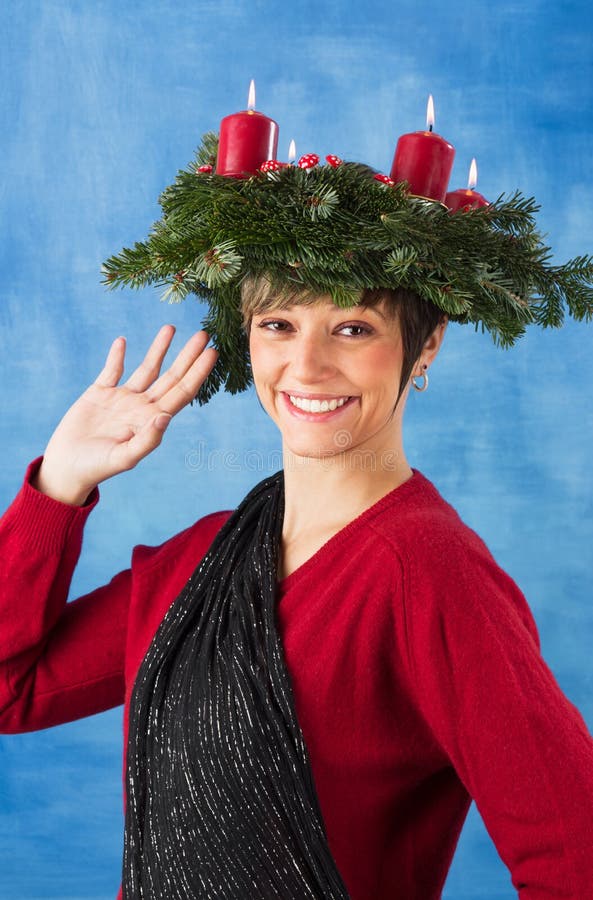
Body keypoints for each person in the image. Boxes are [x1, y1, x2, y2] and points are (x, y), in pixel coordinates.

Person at [2, 131, 593, 898]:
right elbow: (11, 690)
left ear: (425, 347)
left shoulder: (429, 572)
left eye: (353, 328)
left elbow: (575, 858)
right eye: (279, 324)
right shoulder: (202, 558)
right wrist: (57, 487)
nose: (306, 366)